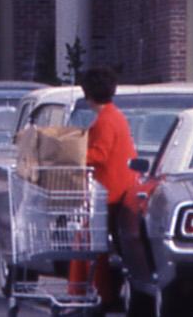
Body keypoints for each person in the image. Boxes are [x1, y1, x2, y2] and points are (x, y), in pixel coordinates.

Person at [68, 67, 137, 306]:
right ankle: (100, 293)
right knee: (103, 244)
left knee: (94, 244)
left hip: (109, 192)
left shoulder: (105, 121)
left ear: (87, 94)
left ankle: (97, 294)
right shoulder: (114, 116)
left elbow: (100, 154)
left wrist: (71, 156)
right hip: (118, 188)